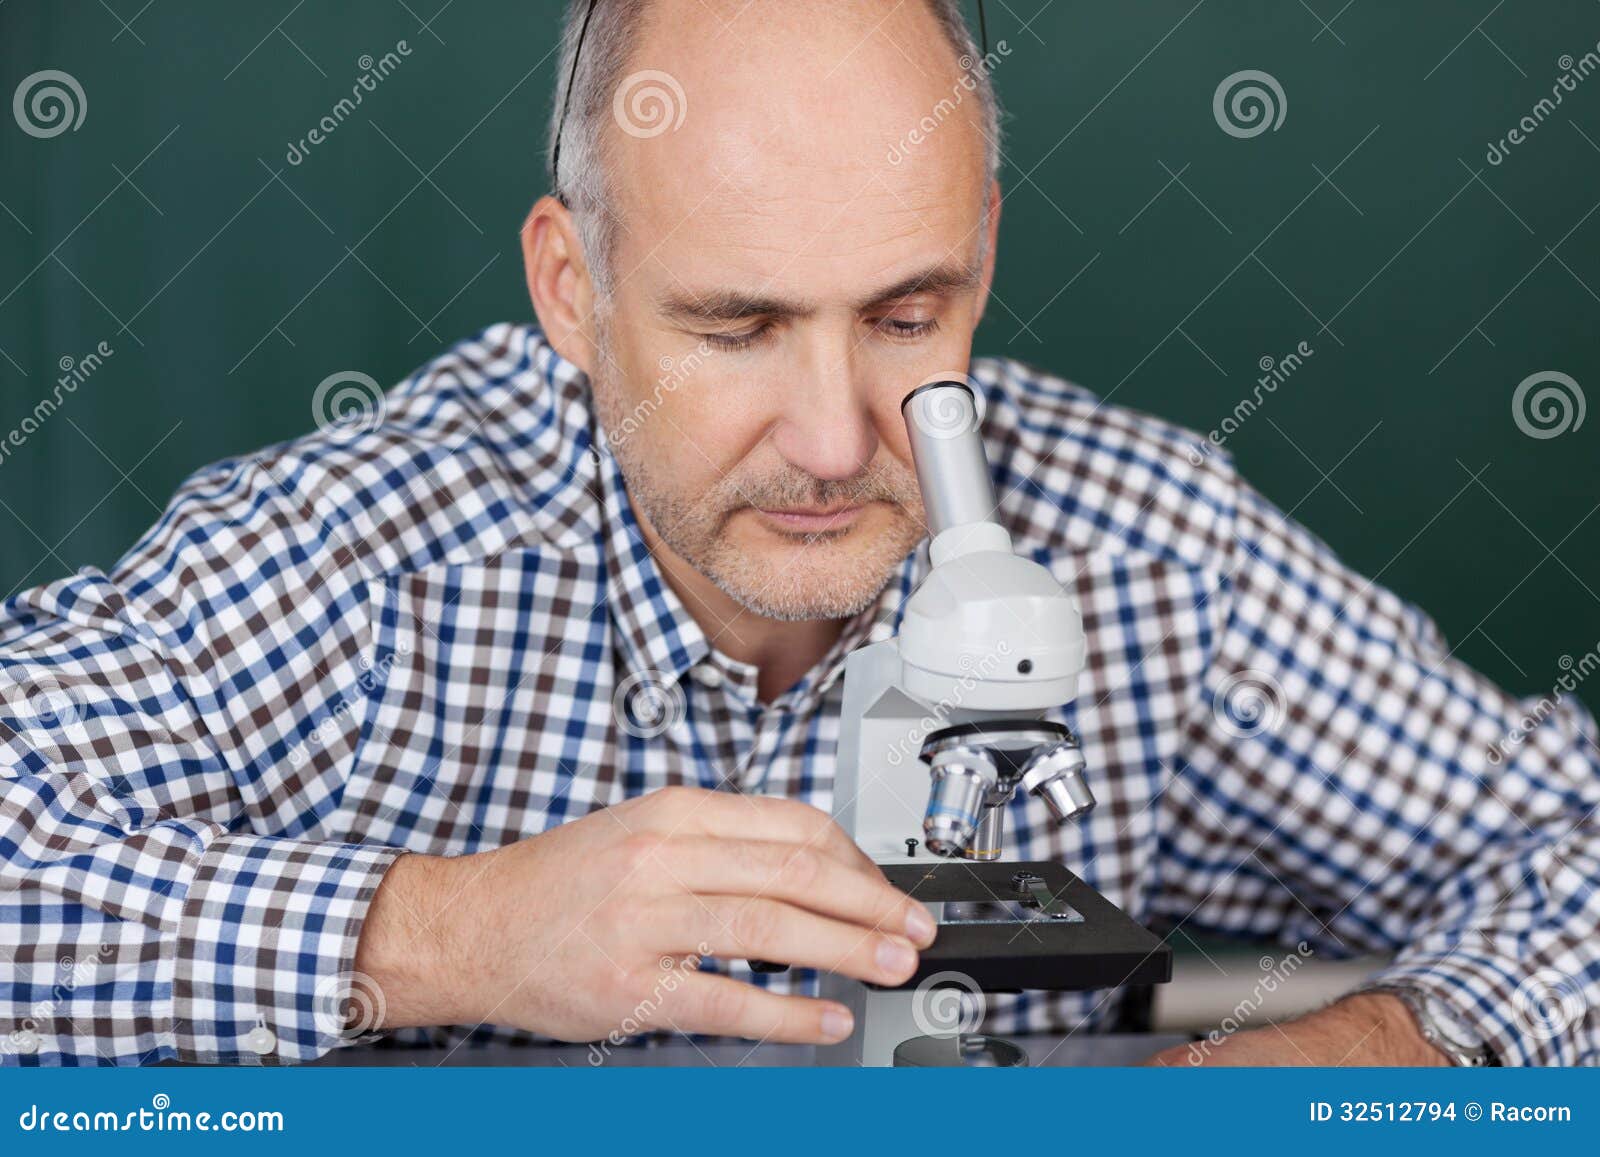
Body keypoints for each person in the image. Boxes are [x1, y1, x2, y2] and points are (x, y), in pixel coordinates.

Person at [3, 0, 1596, 1067]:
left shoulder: (1148, 555)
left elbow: (1568, 843)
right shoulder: (371, 567)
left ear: (981, 249)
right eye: (737, 326)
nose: (842, 442)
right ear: (575, 290)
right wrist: (443, 932)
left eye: (911, 314)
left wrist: (1355, 1054)